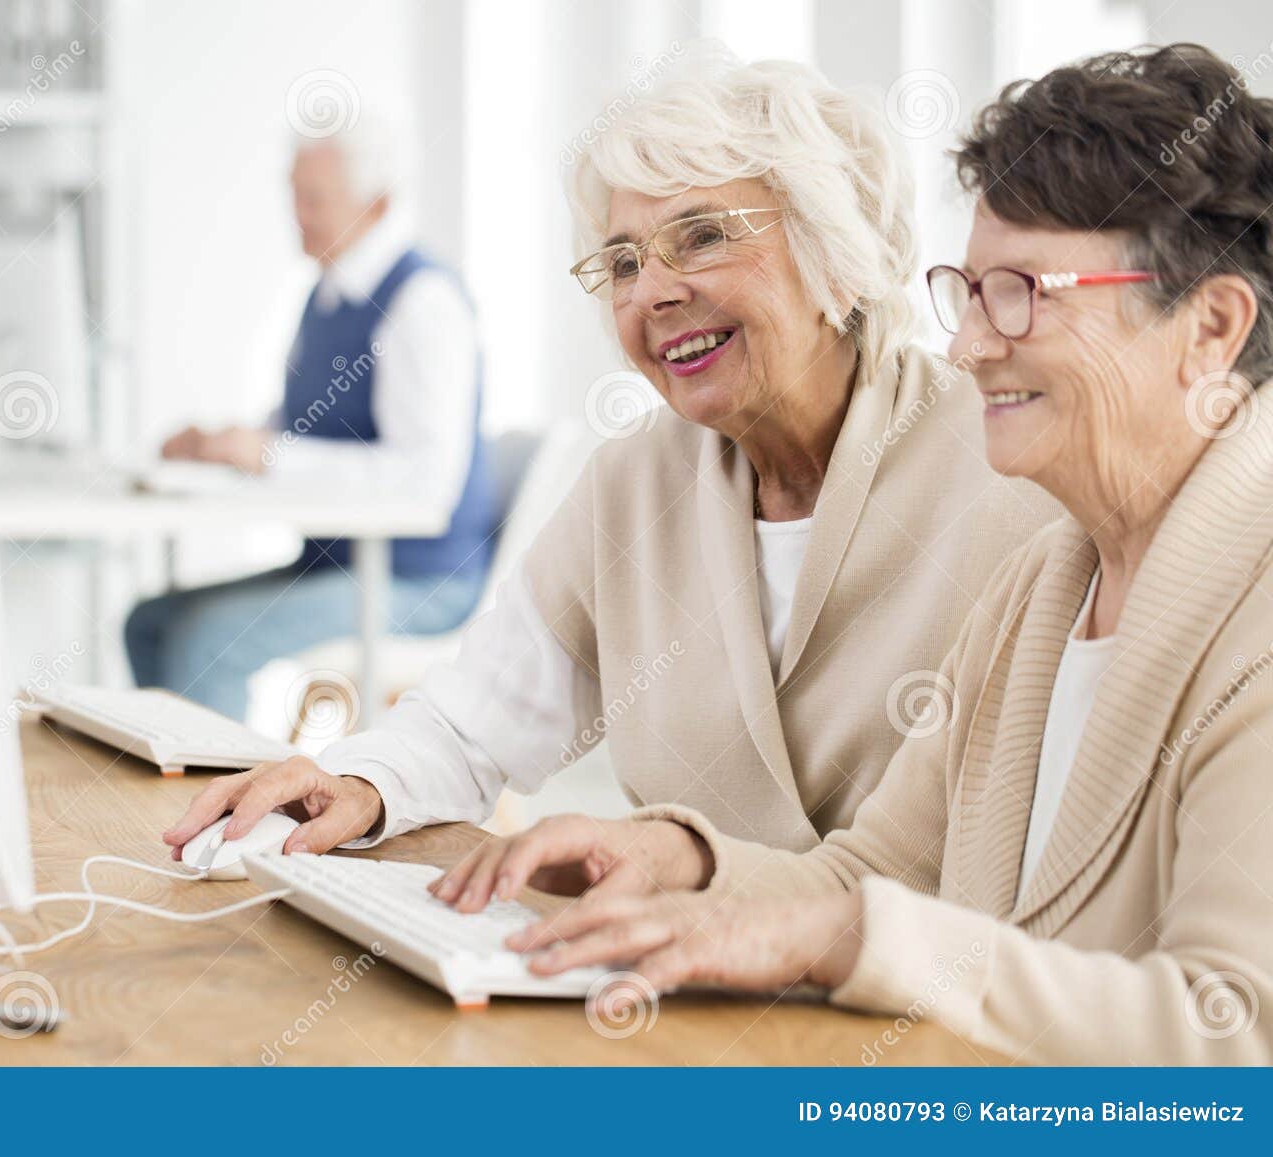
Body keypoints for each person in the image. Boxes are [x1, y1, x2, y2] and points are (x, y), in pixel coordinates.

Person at [452, 43, 1273, 1065]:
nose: (969, 346)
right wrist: (680, 858)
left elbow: (1234, 1034)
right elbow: (874, 872)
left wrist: (852, 939)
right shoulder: (1045, 586)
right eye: (966, 293)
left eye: (1020, 292)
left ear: (1211, 325)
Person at [163, 45, 1055, 867]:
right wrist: (357, 780)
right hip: (679, 996)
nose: (655, 291)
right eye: (623, 261)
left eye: (703, 236)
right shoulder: (635, 486)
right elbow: (474, 723)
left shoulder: (1011, 464)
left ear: (839, 249)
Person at [125, 122, 494, 719]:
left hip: (418, 583)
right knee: (150, 623)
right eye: (293, 195)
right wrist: (225, 444)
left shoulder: (422, 304)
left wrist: (267, 455)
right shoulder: (325, 295)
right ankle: (167, 789)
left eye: (315, 199)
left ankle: (219, 811)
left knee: (204, 640)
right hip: (335, 563)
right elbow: (311, 428)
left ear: (376, 204)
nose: (297, 214)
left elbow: (426, 482)